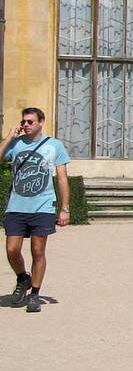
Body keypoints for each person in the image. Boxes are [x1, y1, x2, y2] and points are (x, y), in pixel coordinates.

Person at [2, 107, 71, 312]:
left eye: (30, 122)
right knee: (12, 249)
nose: (25, 125)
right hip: (16, 206)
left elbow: (62, 177)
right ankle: (23, 277)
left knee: (38, 250)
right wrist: (8, 137)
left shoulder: (54, 145)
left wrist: (64, 208)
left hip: (42, 206)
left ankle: (35, 293)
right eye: (23, 122)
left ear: (41, 122)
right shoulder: (16, 144)